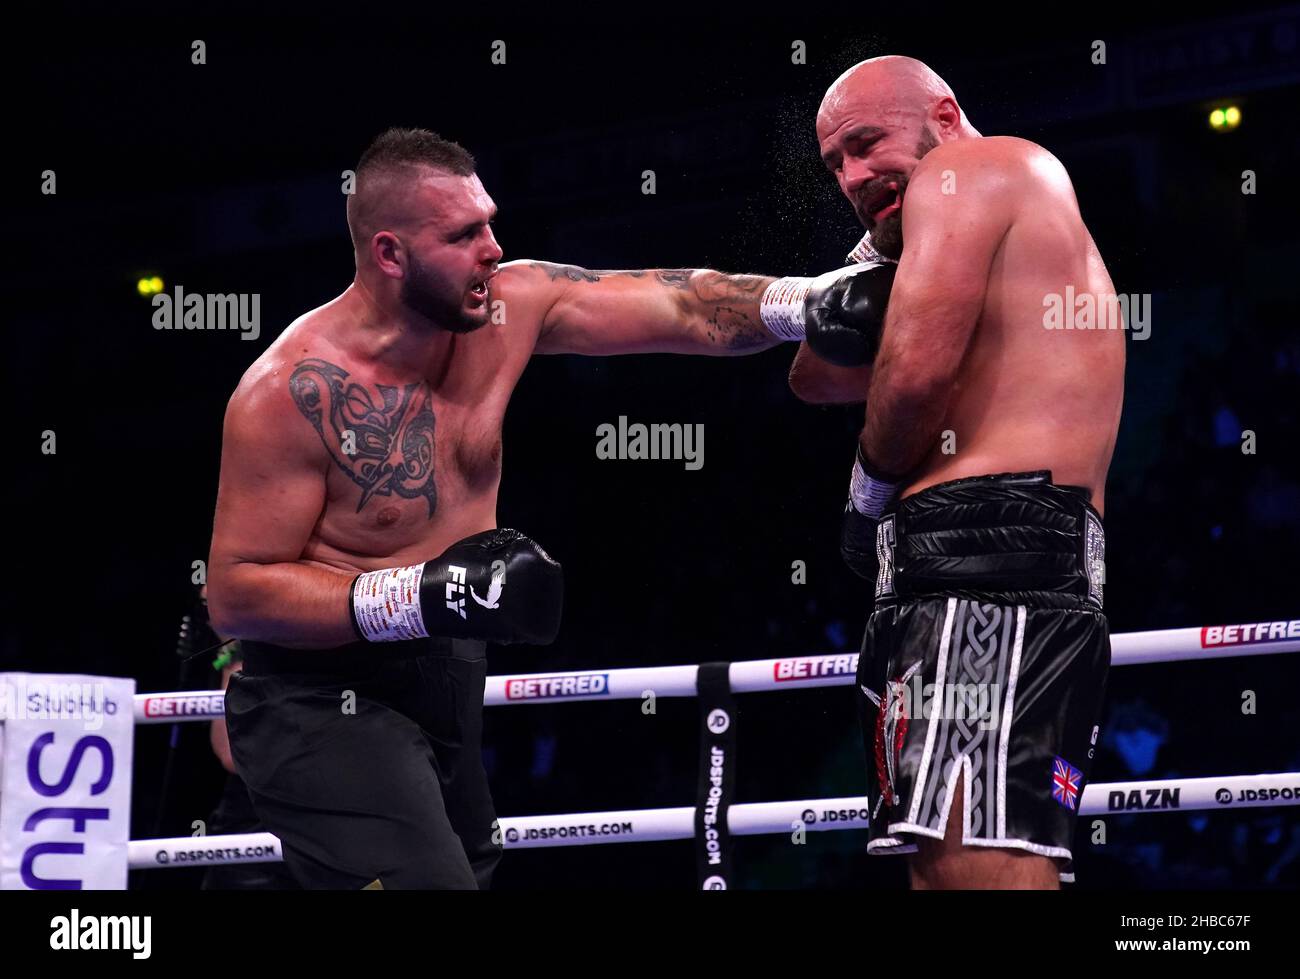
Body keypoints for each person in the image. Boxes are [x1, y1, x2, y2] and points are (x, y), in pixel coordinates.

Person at [206, 127, 881, 889]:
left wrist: (809, 301)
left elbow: (684, 306)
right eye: (463, 234)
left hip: (447, 673)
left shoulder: (508, 308)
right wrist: (417, 594)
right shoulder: (291, 392)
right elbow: (235, 592)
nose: (493, 248)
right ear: (390, 254)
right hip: (318, 694)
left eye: (489, 221)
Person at [783, 56, 1124, 888]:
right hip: (977, 566)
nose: (853, 176)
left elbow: (910, 376)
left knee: (979, 870)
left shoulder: (978, 166)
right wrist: (879, 242)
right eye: (836, 167)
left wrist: (864, 497)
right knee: (948, 868)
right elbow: (812, 372)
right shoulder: (981, 225)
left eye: (866, 145)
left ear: (942, 115)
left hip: (987, 563)